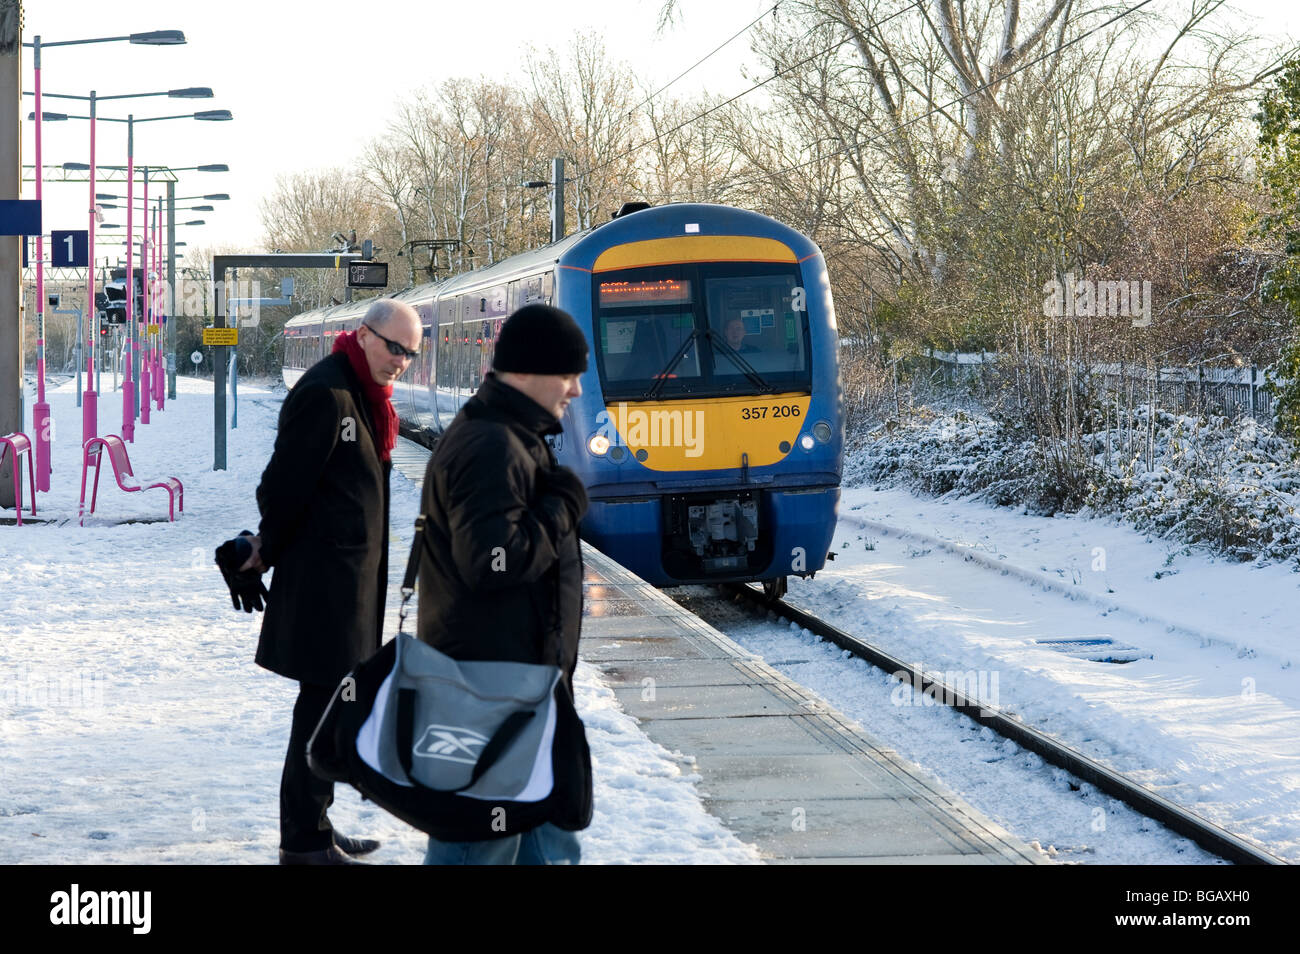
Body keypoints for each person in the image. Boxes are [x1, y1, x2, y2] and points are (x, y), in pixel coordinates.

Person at [243, 297, 423, 865]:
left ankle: (314, 822)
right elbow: (282, 487)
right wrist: (265, 552)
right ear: (365, 335)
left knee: (328, 708)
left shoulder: (362, 394)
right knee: (319, 712)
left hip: (349, 586)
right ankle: (303, 842)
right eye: (395, 347)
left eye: (410, 354)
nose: (401, 362)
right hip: (325, 590)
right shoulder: (326, 394)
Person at [415, 302, 589, 865]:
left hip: (520, 687)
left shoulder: (511, 436)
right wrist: (562, 506)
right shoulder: (491, 446)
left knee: (544, 842)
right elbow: (493, 563)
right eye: (570, 375)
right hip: (487, 694)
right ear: (529, 372)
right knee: (477, 847)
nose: (577, 391)